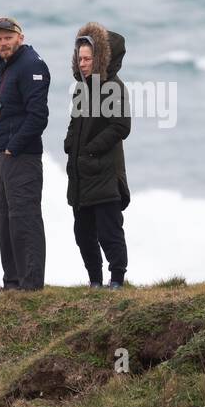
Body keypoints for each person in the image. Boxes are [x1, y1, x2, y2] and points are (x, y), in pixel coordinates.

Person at [0, 16, 50, 290]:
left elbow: (39, 117)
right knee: (6, 218)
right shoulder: (6, 67)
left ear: (20, 37)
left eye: (8, 37)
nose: (3, 42)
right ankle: (12, 283)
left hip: (22, 156)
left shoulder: (32, 65)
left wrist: (13, 147)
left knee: (25, 218)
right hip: (3, 154)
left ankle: (30, 286)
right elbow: (6, 109)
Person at [64, 22, 130, 288]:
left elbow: (121, 126)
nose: (83, 63)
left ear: (100, 57)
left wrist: (91, 149)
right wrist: (69, 143)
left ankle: (116, 280)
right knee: (83, 234)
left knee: (109, 232)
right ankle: (95, 282)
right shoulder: (81, 88)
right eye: (80, 58)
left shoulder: (113, 86)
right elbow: (74, 123)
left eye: (88, 58)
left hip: (105, 173)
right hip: (81, 175)